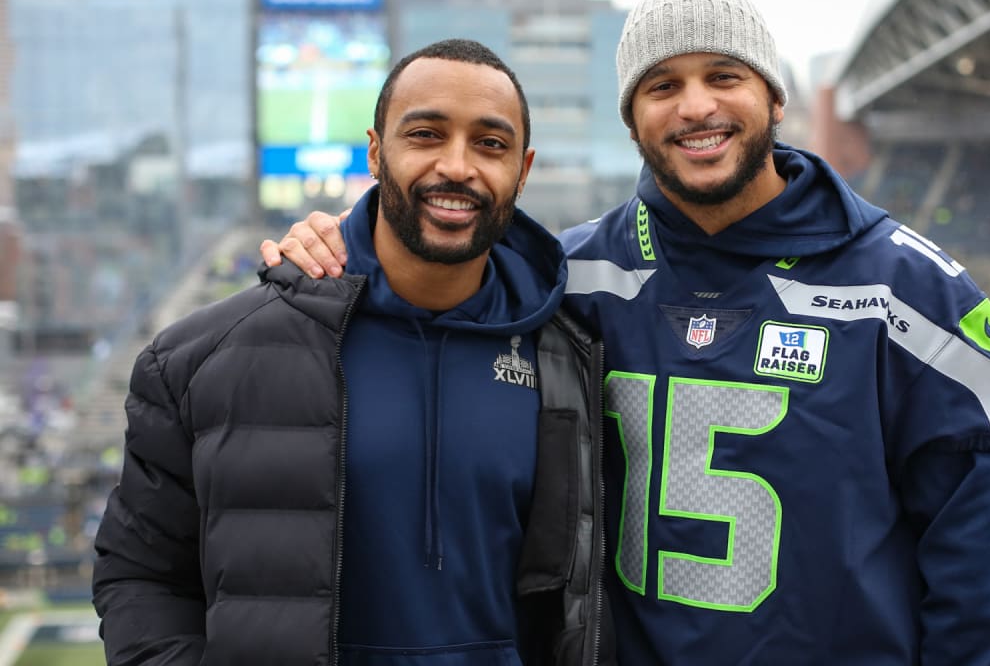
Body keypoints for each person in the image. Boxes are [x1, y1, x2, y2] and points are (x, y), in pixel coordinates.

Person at [264, 0, 990, 665]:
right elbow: (426, 291)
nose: (695, 107)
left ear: (775, 97)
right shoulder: (566, 280)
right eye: (663, 85)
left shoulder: (917, 299)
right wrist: (337, 248)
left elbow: (971, 589)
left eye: (724, 76)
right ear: (631, 117)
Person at [93, 39, 614, 666]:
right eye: (425, 134)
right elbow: (140, 575)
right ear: (375, 150)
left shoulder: (571, 354)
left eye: (490, 143)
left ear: (523, 169)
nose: (457, 165)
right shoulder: (204, 357)